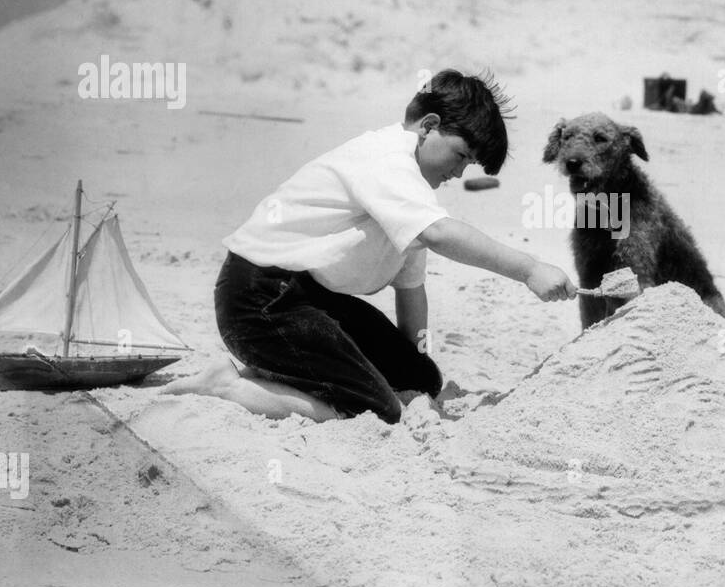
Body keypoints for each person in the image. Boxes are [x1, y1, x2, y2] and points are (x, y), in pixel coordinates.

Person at [164, 70, 575, 423]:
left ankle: (292, 370)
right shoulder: (385, 158)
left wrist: (418, 369)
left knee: (420, 379)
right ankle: (230, 387)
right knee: (377, 409)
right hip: (259, 300)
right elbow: (439, 234)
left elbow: (411, 289)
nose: (458, 171)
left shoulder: (409, 192)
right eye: (460, 155)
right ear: (429, 125)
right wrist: (528, 269)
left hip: (309, 297)